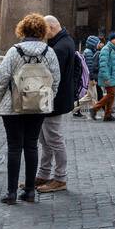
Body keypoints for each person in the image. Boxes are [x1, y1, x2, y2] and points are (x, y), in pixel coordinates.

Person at [0, 13, 61, 205]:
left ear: (22, 29)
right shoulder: (49, 52)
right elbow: (55, 80)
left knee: (14, 148)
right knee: (31, 146)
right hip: (38, 107)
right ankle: (30, 191)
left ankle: (11, 193)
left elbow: (1, 78)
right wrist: (46, 99)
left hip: (13, 107)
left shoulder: (14, 51)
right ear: (42, 31)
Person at [35, 15, 79, 194]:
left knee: (54, 139)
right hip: (54, 99)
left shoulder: (60, 47)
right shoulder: (65, 42)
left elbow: (51, 77)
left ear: (51, 28)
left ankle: (60, 178)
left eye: (45, 31)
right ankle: (44, 174)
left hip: (54, 100)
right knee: (45, 140)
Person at [90, 32, 115, 121]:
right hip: (107, 77)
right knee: (111, 94)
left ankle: (107, 115)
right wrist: (106, 78)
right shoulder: (106, 49)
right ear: (110, 40)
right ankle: (95, 108)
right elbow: (103, 65)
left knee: (111, 95)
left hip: (111, 76)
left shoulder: (112, 49)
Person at [82, 35, 102, 109]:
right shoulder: (89, 53)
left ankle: (93, 111)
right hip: (90, 78)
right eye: (98, 43)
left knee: (91, 96)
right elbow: (90, 68)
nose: (99, 45)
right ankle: (75, 108)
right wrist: (92, 79)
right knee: (91, 96)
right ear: (94, 44)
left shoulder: (90, 52)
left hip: (89, 77)